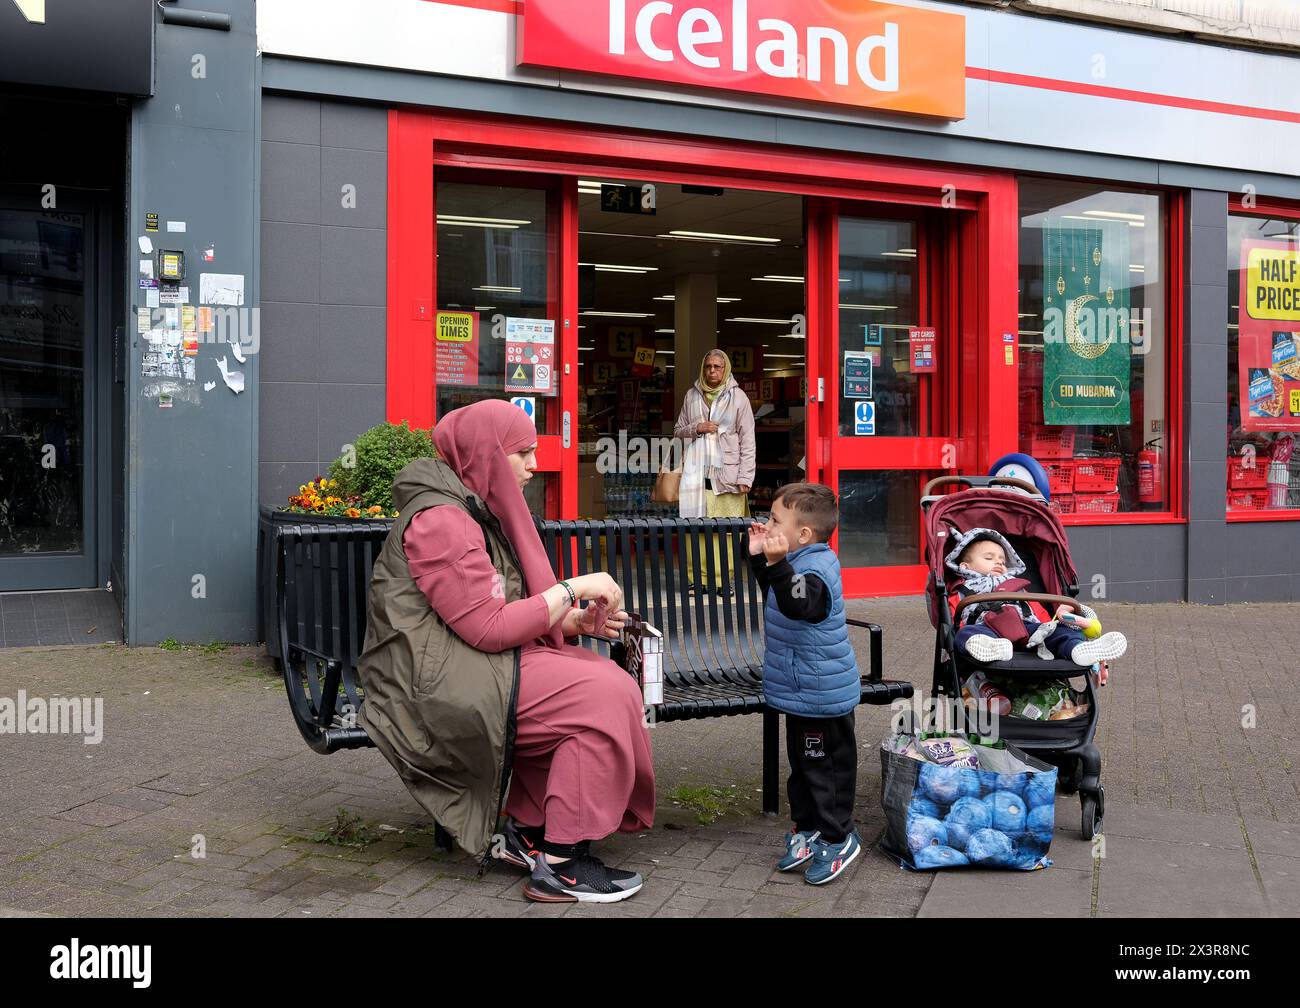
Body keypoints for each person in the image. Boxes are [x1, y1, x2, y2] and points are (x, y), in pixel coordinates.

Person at [357, 399, 655, 904]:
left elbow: (494, 604)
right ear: (486, 454)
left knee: (586, 675)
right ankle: (560, 866)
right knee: (600, 694)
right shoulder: (442, 521)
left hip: (460, 664)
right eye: (522, 452)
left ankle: (529, 830)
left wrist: (575, 621)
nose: (534, 465)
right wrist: (575, 586)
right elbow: (489, 626)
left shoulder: (468, 506)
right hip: (429, 688)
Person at [746, 482, 862, 885]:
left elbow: (801, 604)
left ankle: (837, 836)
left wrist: (777, 564)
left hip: (820, 694)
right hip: (801, 690)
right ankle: (809, 830)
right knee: (803, 769)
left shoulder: (815, 568)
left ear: (803, 534)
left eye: (776, 520)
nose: (767, 524)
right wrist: (762, 560)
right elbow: (777, 594)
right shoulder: (796, 561)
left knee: (825, 771)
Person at [946, 528, 1127, 665]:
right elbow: (953, 620)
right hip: (987, 629)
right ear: (965, 567)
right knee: (965, 635)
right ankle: (994, 648)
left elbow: (1038, 611)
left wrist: (1050, 625)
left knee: (1059, 632)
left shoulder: (1018, 586)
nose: (998, 562)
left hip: (1029, 630)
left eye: (1002, 560)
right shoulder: (962, 590)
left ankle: (1079, 649)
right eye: (989, 558)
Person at [673, 349, 756, 595]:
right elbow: (678, 430)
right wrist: (697, 427)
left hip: (727, 477)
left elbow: (748, 440)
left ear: (725, 369)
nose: (712, 371)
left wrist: (745, 477)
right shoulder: (692, 396)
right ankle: (696, 580)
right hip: (696, 477)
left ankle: (723, 581)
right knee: (693, 532)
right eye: (708, 366)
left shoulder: (738, 398)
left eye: (717, 367)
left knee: (727, 533)